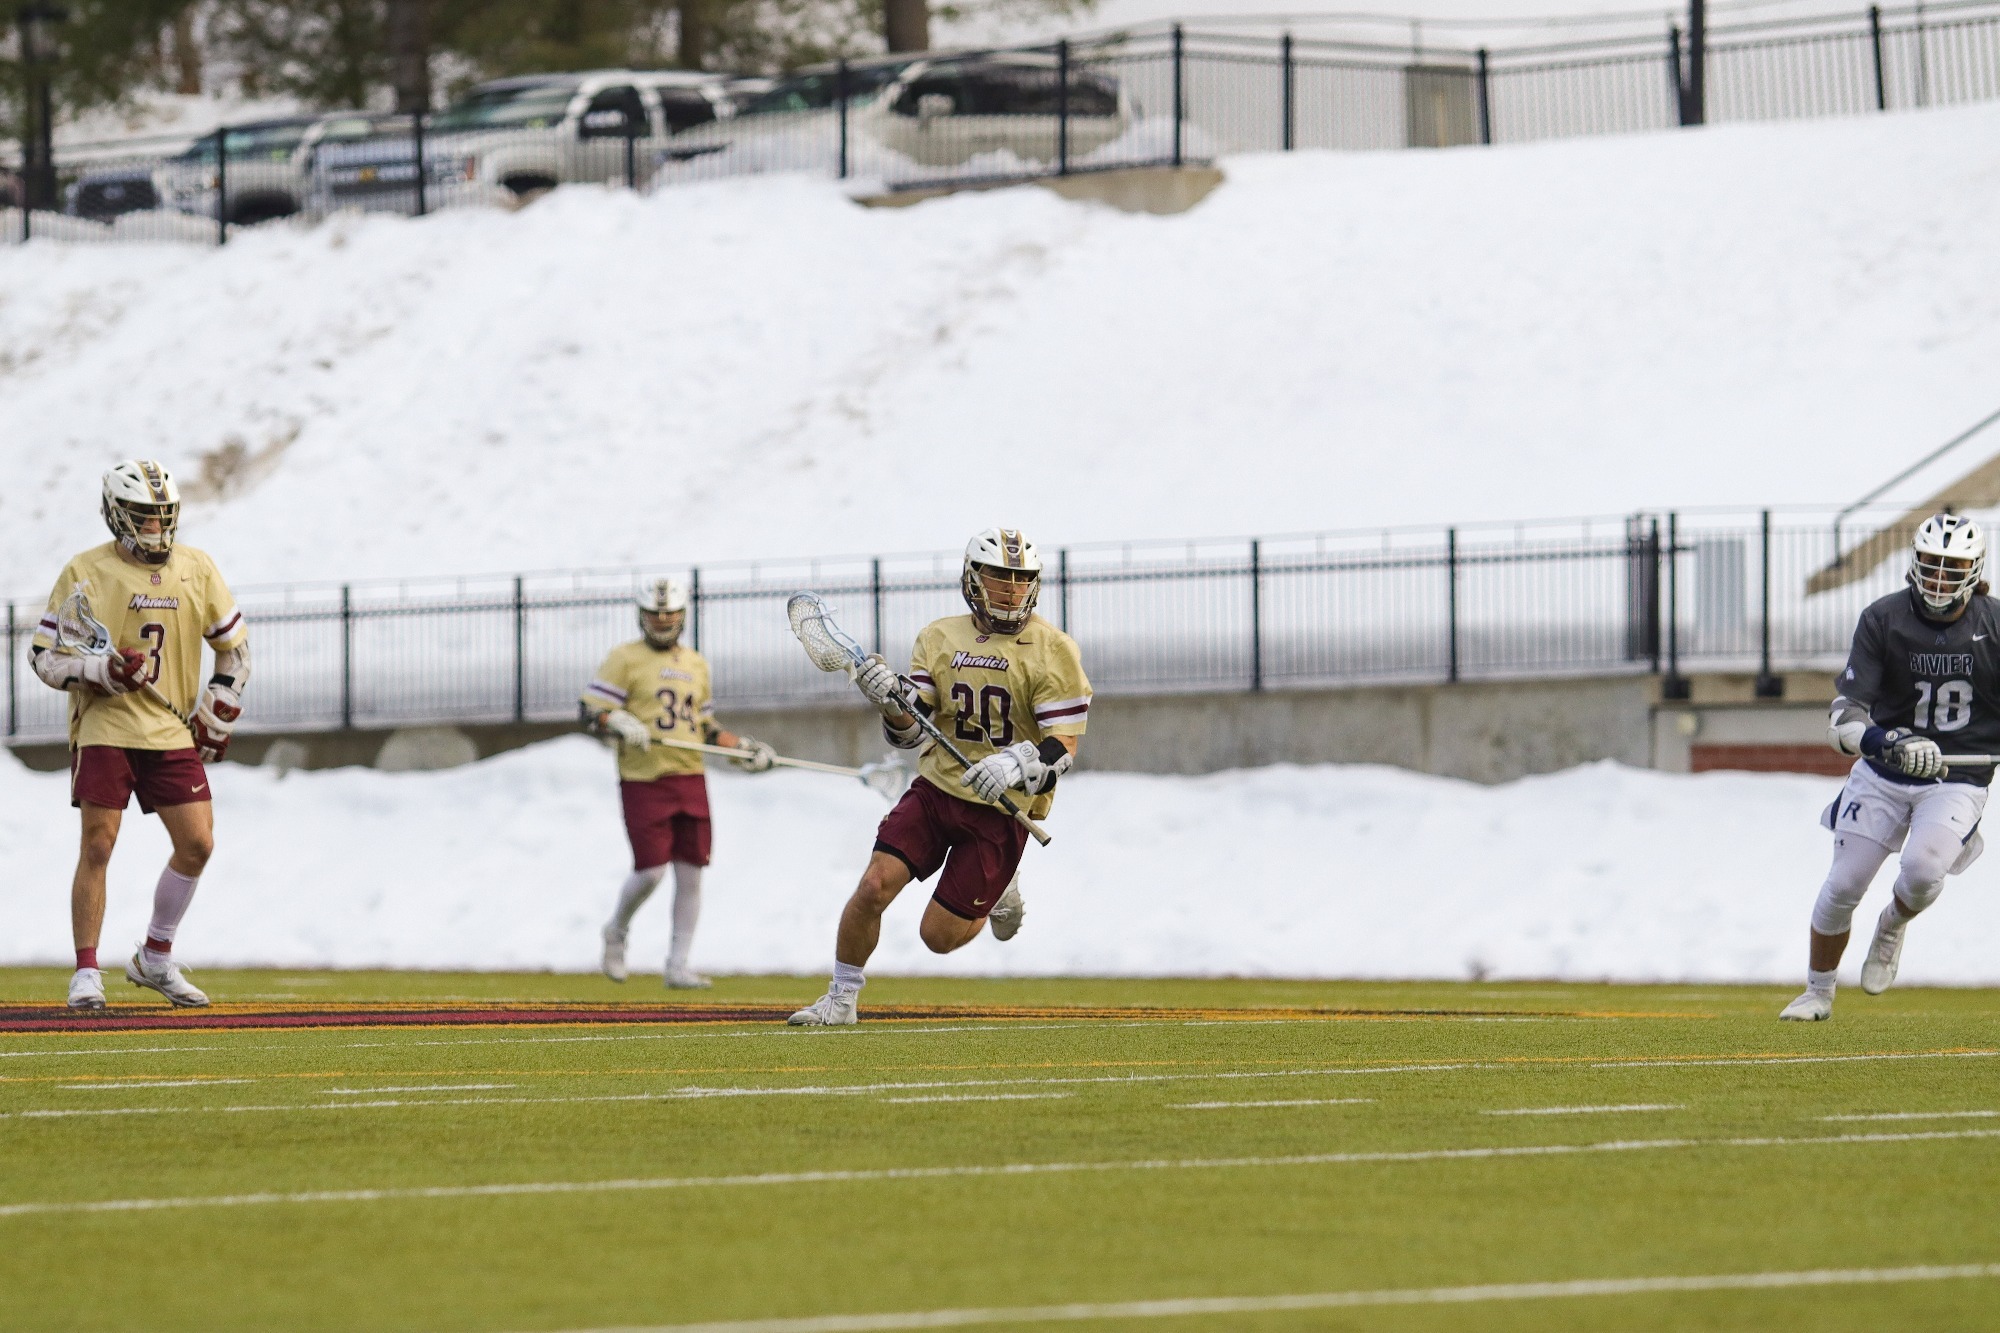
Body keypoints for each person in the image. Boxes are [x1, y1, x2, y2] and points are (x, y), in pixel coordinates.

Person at [790, 528, 1091, 1026]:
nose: (1011, 590)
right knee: (872, 886)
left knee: (939, 937)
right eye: (999, 577)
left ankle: (1000, 892)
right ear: (973, 579)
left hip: (1000, 810)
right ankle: (841, 1000)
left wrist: (1014, 764)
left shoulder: (1052, 649)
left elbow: (1065, 747)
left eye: (1020, 580)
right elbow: (911, 733)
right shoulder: (939, 637)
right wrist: (890, 699)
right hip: (937, 790)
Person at [31, 461, 249, 1011]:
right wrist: (100, 673)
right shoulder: (86, 571)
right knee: (99, 843)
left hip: (169, 729)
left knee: (198, 843)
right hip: (107, 723)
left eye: (161, 518)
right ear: (117, 516)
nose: (154, 530)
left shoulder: (197, 568)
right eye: (143, 519)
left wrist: (218, 709)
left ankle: (154, 956)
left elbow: (235, 649)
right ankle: (86, 971)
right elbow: (44, 658)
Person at [1781, 513, 1997, 1021]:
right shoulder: (1884, 618)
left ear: (1974, 569)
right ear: (1915, 562)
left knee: (1922, 872)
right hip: (1884, 774)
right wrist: (1886, 740)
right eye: (1931, 564)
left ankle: (1892, 924)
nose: (1939, 577)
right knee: (1844, 884)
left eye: (1952, 567)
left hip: (1958, 777)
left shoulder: (1996, 624)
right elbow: (1843, 718)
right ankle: (1818, 991)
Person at [581, 576, 776, 988]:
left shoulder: (696, 663)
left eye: (669, 612)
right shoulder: (623, 658)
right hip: (644, 776)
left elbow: (703, 726)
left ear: (683, 615)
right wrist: (613, 718)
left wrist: (741, 748)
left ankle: (678, 963)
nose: (663, 619)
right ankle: (616, 930)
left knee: (692, 873)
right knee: (651, 872)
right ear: (642, 615)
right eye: (655, 613)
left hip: (690, 775)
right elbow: (589, 711)